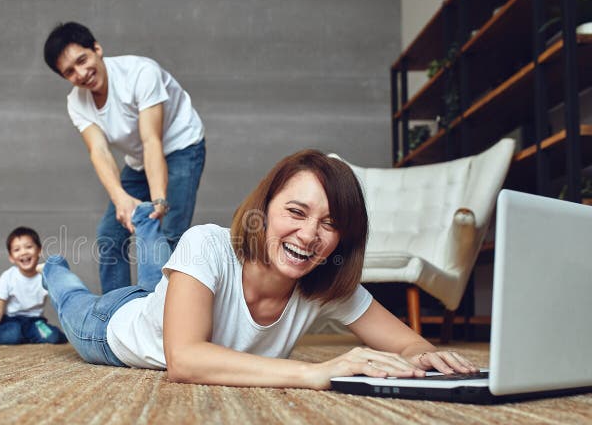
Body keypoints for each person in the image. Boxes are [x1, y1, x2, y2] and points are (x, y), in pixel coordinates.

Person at [40, 150, 478, 389]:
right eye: (296, 212)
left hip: (171, 301)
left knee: (157, 275)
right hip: (114, 326)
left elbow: (407, 342)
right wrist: (313, 372)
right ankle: (54, 268)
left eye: (330, 224)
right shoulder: (207, 243)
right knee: (72, 297)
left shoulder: (326, 283)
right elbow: (185, 359)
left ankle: (145, 234)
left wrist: (424, 356)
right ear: (265, 209)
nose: (309, 236)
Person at [43, 21, 206, 293]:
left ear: (97, 49)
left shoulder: (141, 73)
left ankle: (167, 321)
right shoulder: (76, 102)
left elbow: (151, 140)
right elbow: (99, 151)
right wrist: (120, 199)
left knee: (169, 235)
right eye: (70, 72)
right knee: (109, 235)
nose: (81, 73)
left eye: (82, 60)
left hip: (181, 146)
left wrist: (159, 199)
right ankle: (117, 317)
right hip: (139, 160)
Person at [0, 227, 67, 345]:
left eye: (29, 247)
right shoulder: (8, 276)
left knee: (54, 337)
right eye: (17, 249)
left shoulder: (45, 275)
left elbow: (60, 301)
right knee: (12, 335)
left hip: (35, 321)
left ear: (39, 250)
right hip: (12, 320)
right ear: (11, 257)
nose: (23, 252)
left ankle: (29, 335)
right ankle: (11, 335)